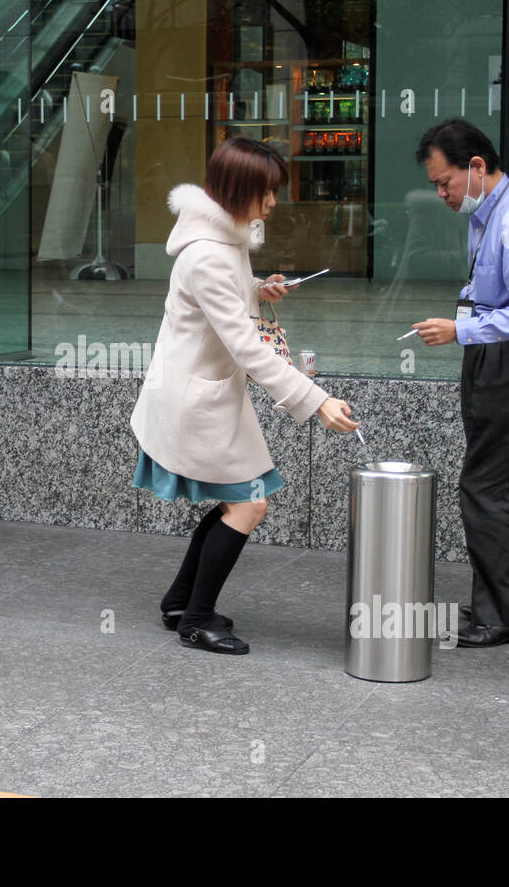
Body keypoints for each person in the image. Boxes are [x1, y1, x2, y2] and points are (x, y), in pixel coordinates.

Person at [131, 137, 359, 655]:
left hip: (202, 394)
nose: (274, 202)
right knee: (249, 503)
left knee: (243, 500)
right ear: (239, 191)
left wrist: (258, 288)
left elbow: (225, 302)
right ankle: (196, 618)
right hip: (196, 402)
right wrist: (316, 401)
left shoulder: (219, 238)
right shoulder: (210, 253)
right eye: (268, 192)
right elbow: (247, 346)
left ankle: (180, 602)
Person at [412, 118, 509, 647]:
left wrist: (462, 329)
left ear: (476, 167)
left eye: (445, 181)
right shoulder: (488, 213)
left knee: (485, 483)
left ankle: (500, 614)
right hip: (494, 351)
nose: (441, 193)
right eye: (435, 184)